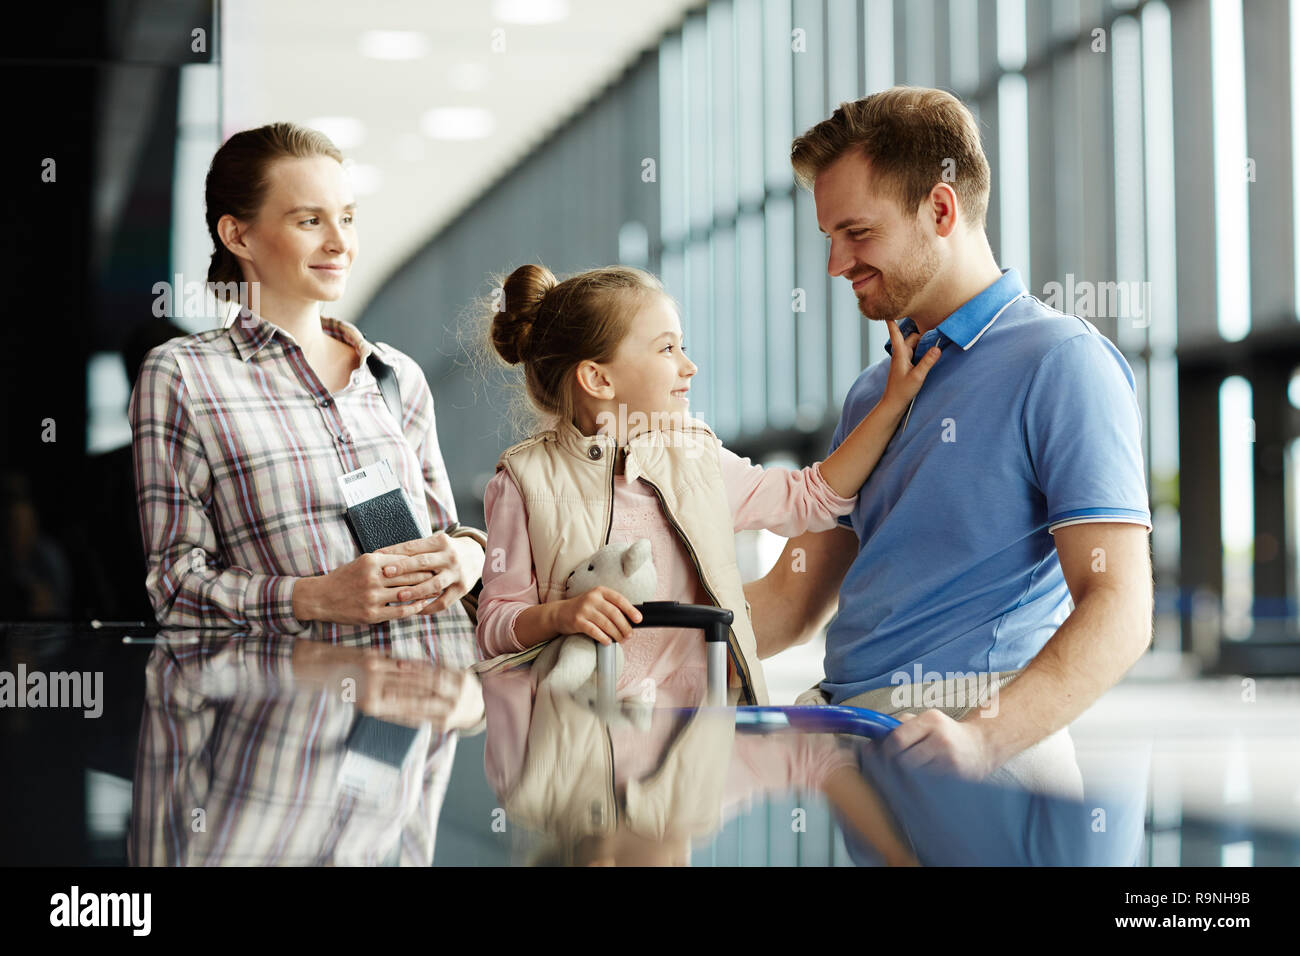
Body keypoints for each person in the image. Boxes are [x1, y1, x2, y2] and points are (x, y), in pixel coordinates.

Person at [744, 87, 1153, 859]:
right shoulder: (874, 391)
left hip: (977, 761)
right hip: (867, 756)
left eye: (856, 232)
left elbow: (1120, 607)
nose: (836, 264)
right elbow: (791, 599)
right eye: (829, 236)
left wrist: (981, 741)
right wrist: (630, 630)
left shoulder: (1062, 363)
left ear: (940, 208)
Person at [128, 122, 485, 864]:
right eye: (308, 219)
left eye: (346, 218)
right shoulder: (185, 377)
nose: (339, 241)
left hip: (409, 729)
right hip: (266, 756)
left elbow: (454, 533)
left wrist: (468, 561)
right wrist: (312, 597)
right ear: (240, 235)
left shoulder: (395, 378)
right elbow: (173, 584)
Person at [473, 262, 939, 708]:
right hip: (573, 753)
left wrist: (892, 405)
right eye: (666, 349)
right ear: (598, 377)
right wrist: (558, 616)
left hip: (695, 745)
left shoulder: (700, 460)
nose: (689, 366)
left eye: (683, 346)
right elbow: (495, 624)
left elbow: (812, 497)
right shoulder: (521, 483)